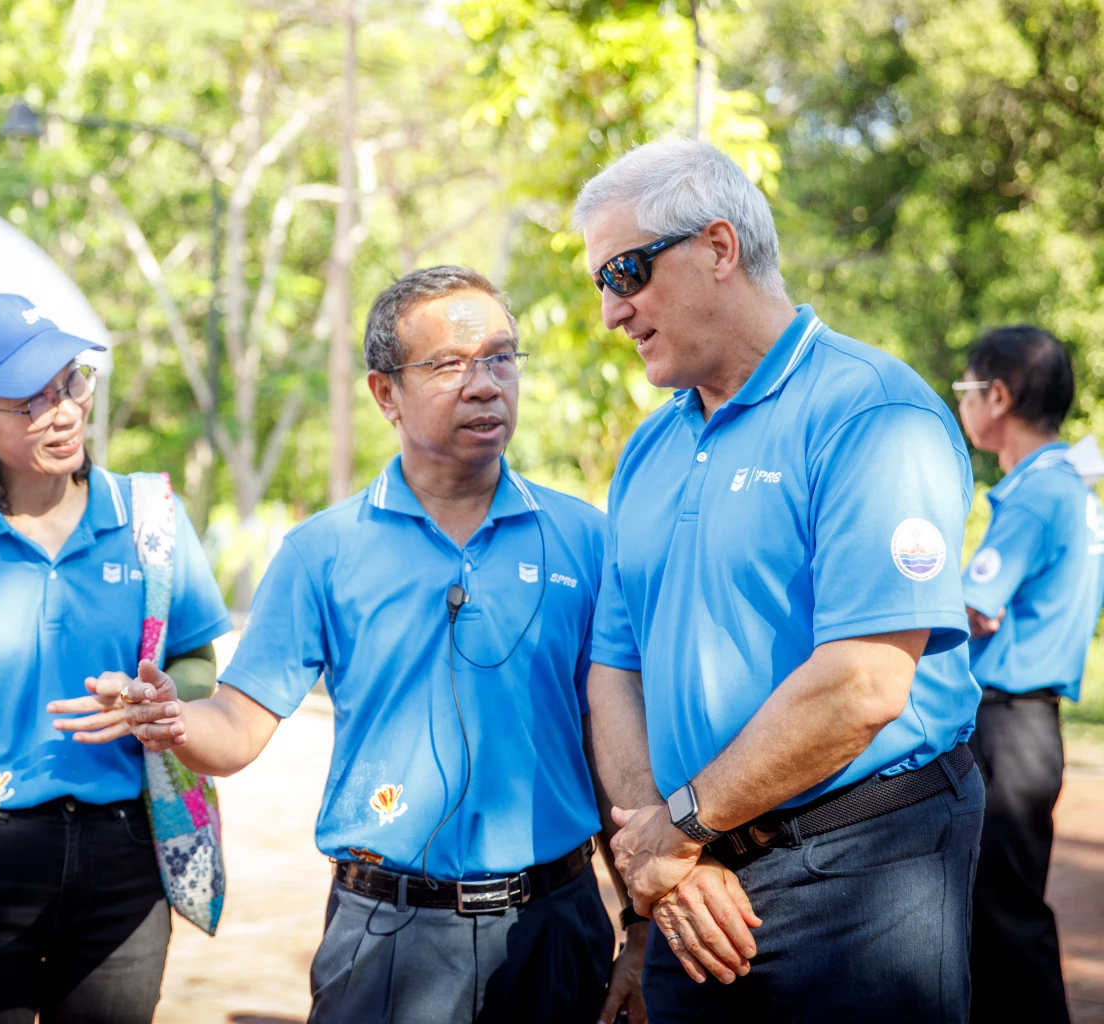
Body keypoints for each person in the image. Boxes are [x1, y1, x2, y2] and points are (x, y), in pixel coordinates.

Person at [107, 266, 645, 1023]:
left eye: (500, 357)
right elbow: (236, 725)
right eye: (449, 365)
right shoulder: (322, 552)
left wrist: (643, 925)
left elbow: (613, 744)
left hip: (557, 925)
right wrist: (175, 721)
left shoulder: (584, 539)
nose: (486, 384)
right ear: (384, 393)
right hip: (390, 937)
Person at [576, 140, 983, 1022]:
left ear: (719, 248)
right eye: (602, 283)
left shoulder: (872, 412)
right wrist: (662, 844)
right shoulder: (650, 448)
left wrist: (675, 829)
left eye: (626, 272)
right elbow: (615, 664)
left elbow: (864, 681)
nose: (612, 310)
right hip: (694, 889)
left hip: (860, 872)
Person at [0, 294, 233, 1024]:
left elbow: (193, 662)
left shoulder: (150, 521)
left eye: (71, 384)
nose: (63, 412)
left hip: (125, 856)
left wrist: (155, 703)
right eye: (30, 402)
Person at [955, 325, 1101, 1024]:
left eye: (966, 389)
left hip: (1007, 723)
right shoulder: (1064, 483)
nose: (963, 403)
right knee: (1003, 906)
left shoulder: (1039, 491)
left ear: (999, 396)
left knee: (1000, 914)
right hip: (1027, 724)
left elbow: (975, 608)